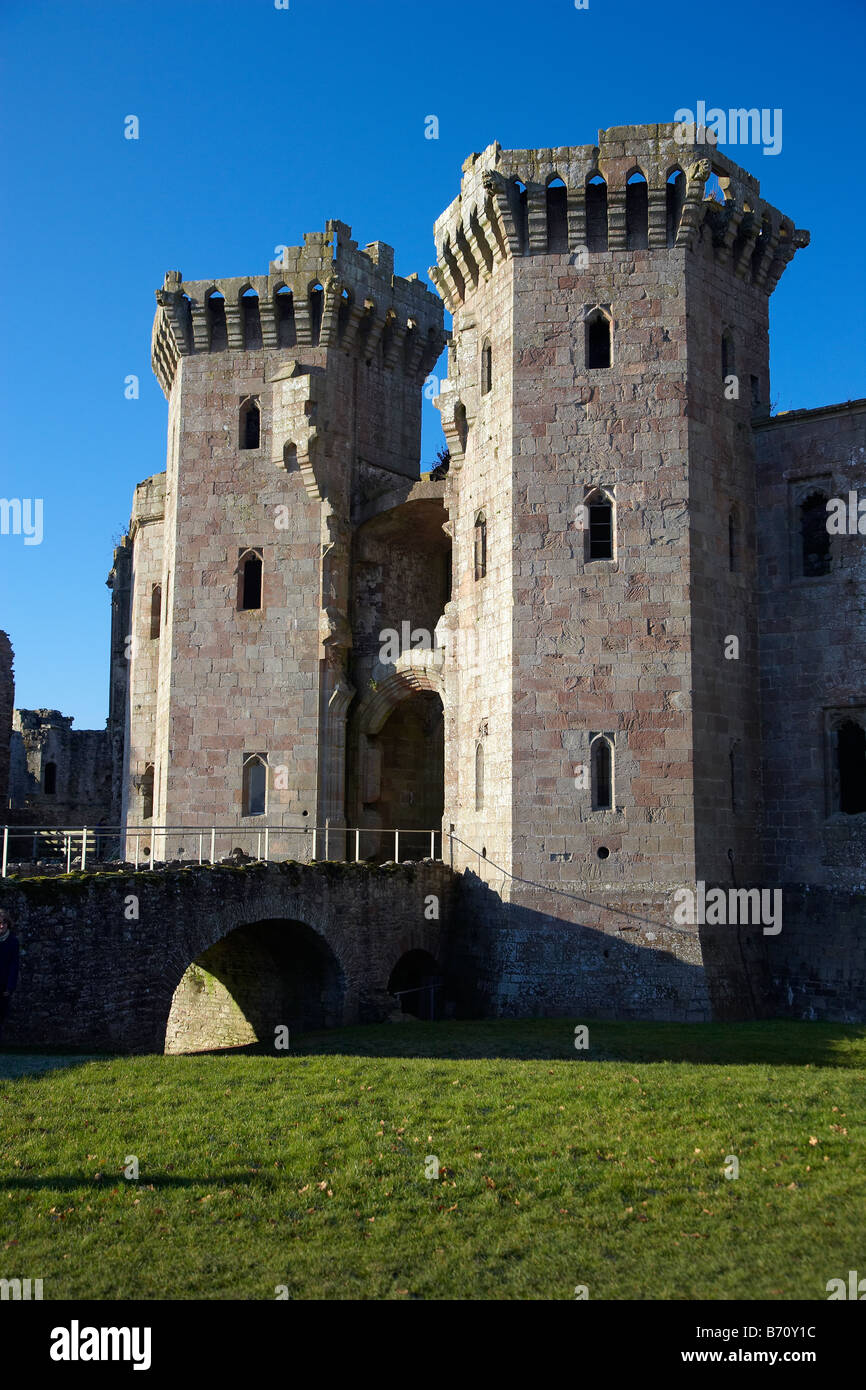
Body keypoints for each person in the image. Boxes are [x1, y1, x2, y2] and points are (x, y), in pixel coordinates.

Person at [0, 908, 19, 1043]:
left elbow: (14, 965)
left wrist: (9, 987)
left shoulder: (13, 942)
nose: (1, 926)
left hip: (3, 986)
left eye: (4, 923)